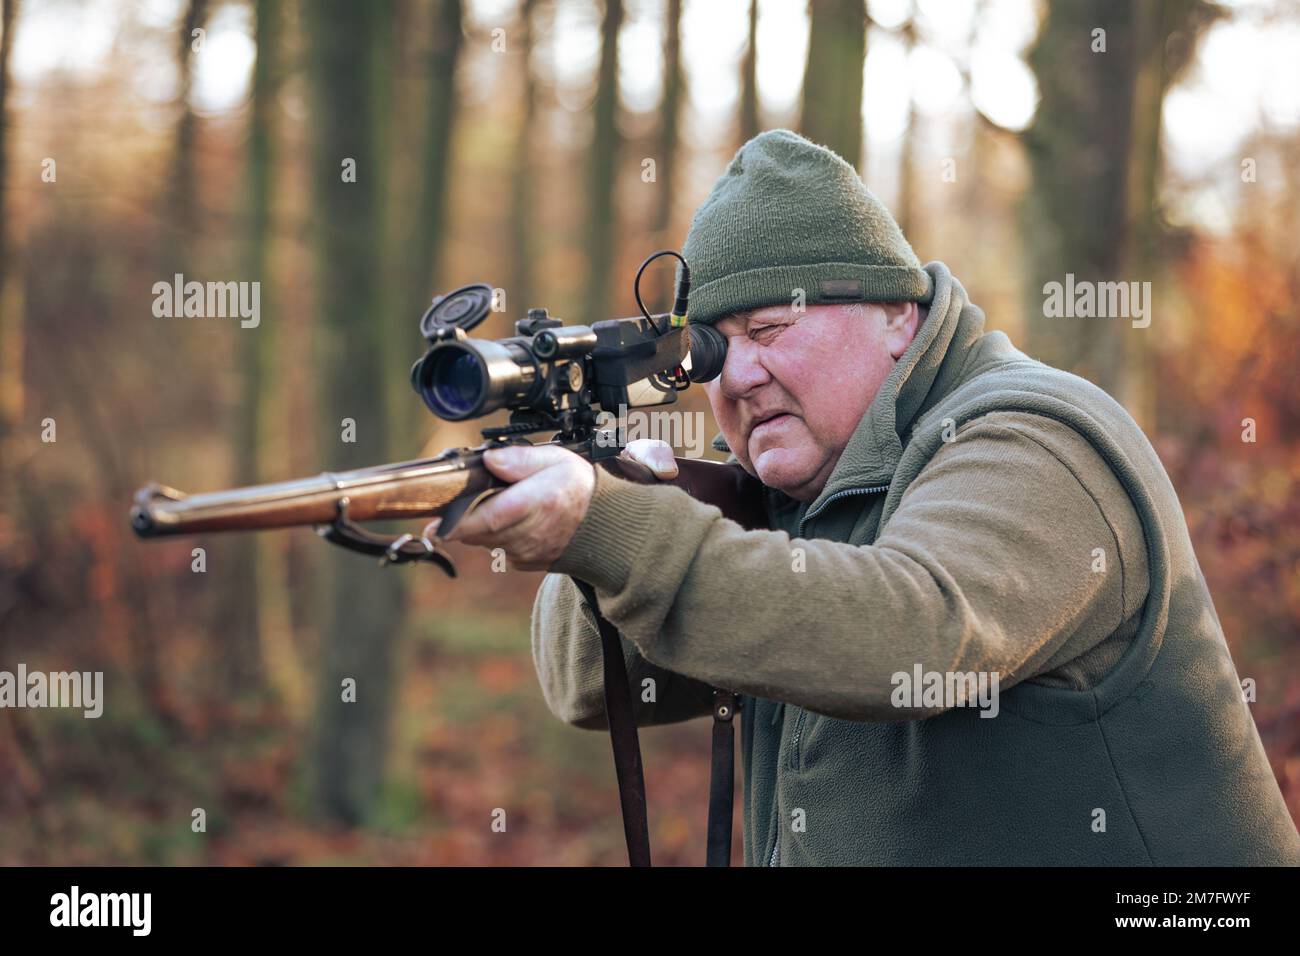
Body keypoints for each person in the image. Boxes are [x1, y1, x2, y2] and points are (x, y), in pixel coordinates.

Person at [443, 129, 1300, 865]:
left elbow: (908, 635)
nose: (741, 374)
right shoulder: (806, 489)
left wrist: (619, 527)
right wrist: (599, 496)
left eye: (773, 330)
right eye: (714, 350)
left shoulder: (1036, 437)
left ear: (898, 314)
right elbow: (591, 689)